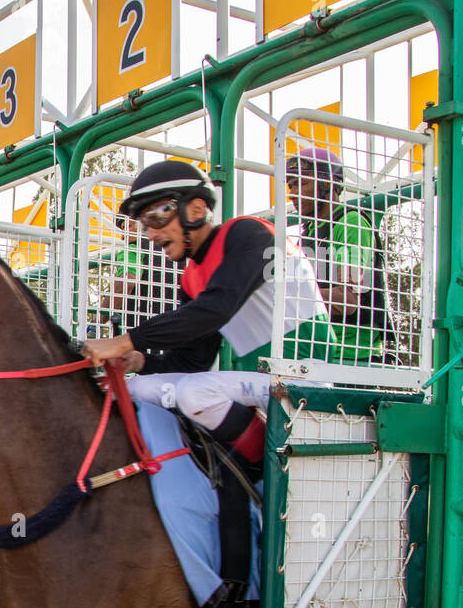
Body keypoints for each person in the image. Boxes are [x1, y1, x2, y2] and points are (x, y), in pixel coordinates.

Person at [80, 159, 334, 473]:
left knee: (194, 393)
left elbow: (215, 309)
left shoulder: (247, 233)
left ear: (196, 210)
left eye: (157, 217)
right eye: (145, 224)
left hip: (306, 379)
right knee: (135, 388)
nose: (151, 234)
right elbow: (191, 362)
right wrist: (140, 361)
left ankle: (262, 472)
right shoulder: (191, 278)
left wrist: (123, 341)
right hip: (264, 383)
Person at [286, 147, 392, 365]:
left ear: (328, 185)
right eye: (291, 185)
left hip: (353, 358)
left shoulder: (350, 223)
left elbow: (348, 300)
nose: (294, 193)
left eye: (302, 183)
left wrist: (290, 294)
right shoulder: (309, 232)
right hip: (318, 352)